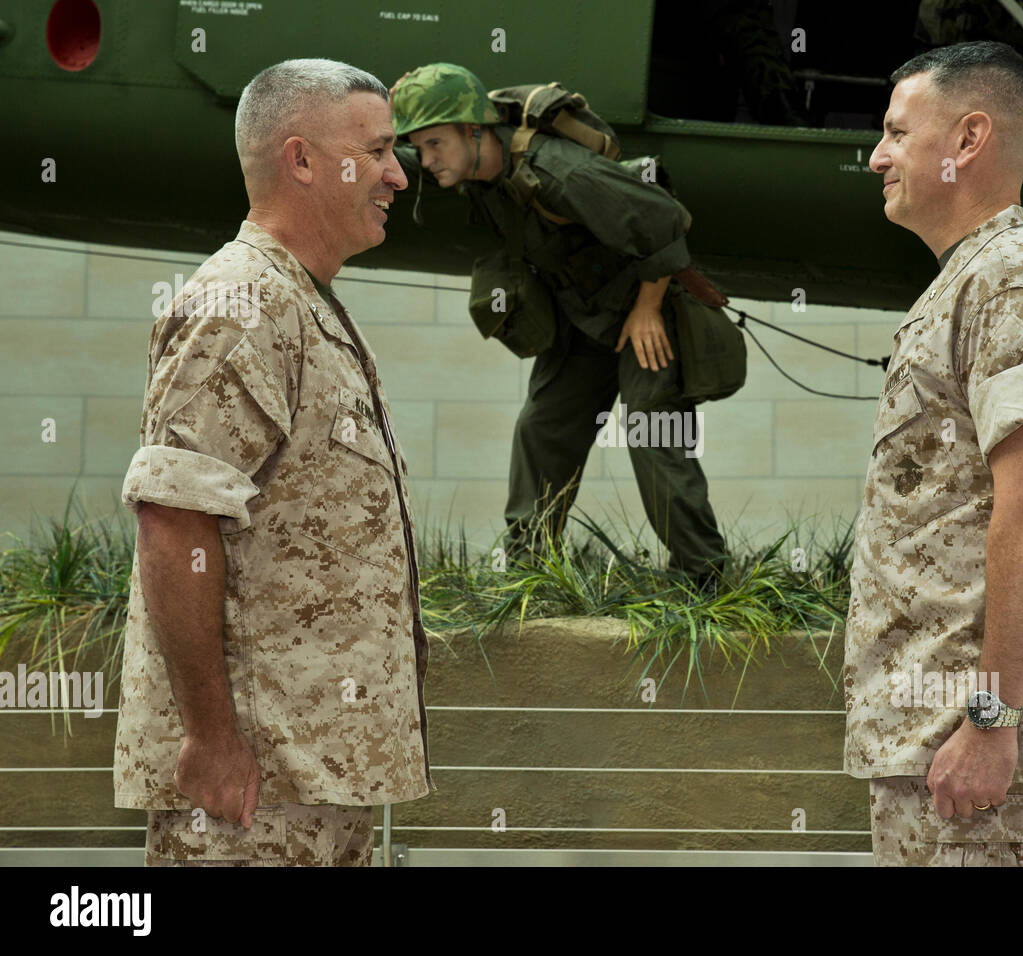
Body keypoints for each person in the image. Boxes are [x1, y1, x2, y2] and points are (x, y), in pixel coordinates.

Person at [115, 58, 430, 866]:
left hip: (312, 777)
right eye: (377, 151)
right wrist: (211, 739)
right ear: (302, 160)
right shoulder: (243, 306)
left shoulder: (300, 302)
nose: (399, 174)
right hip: (252, 791)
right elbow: (173, 521)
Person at [844, 41, 1023, 866]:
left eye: (897, 133)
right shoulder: (973, 281)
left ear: (968, 140)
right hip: (941, 746)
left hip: (984, 757)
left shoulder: (1018, 281)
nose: (876, 157)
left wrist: (992, 721)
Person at [389, 63, 730, 590]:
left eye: (435, 144)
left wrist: (646, 309)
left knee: (652, 430)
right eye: (420, 146)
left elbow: (663, 218)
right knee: (542, 427)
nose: (427, 159)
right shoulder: (472, 164)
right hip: (585, 316)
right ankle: (531, 575)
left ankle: (703, 580)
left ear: (474, 131)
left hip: (646, 306)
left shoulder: (557, 170)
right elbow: (405, 162)